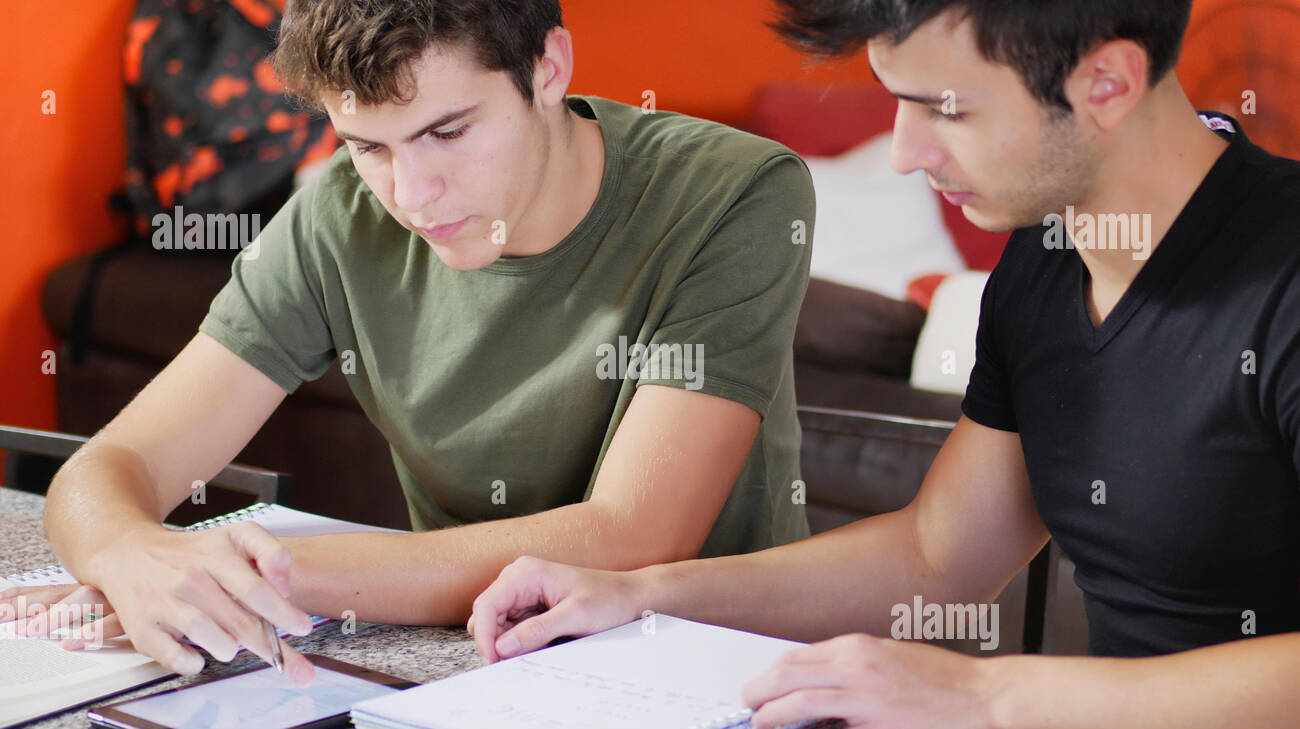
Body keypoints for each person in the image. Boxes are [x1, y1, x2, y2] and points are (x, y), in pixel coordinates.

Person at [467, 0, 1300, 729]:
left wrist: (985, 696)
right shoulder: (1044, 263)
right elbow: (938, 559)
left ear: (1107, 84)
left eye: (944, 109)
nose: (903, 151)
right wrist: (643, 596)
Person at [12, 0, 815, 684]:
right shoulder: (336, 216)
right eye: (368, 146)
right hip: (463, 668)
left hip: (713, 666)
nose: (411, 196)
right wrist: (130, 556)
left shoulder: (734, 194)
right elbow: (110, 466)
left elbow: (631, 536)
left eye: (447, 131)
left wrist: (240, 577)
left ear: (549, 68)